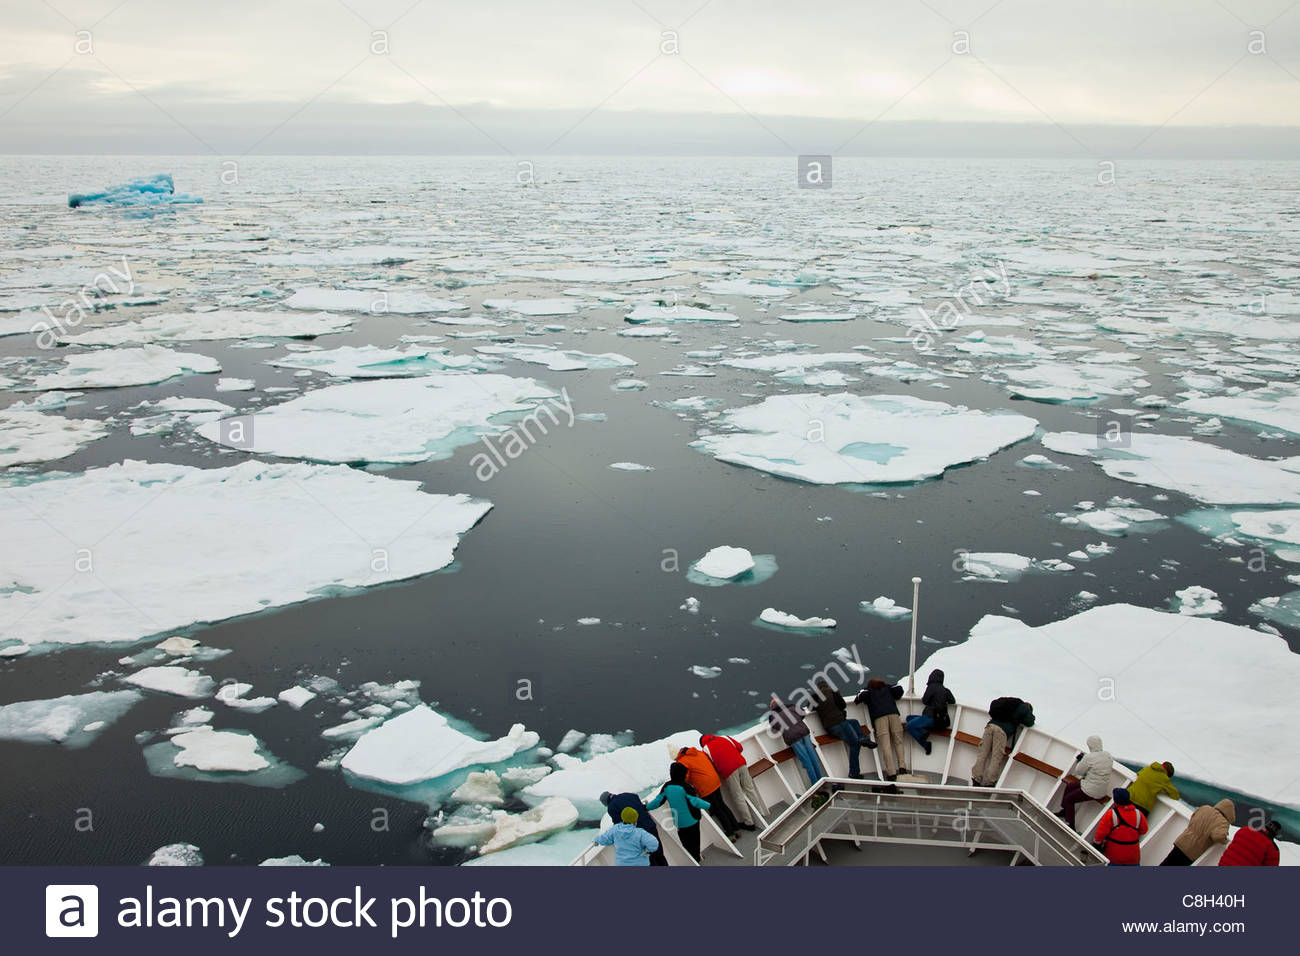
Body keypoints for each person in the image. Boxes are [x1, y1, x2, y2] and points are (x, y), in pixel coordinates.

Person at [646, 762, 712, 861]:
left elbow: (657, 801)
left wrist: (646, 807)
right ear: (681, 774)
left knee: (685, 843)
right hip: (692, 820)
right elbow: (695, 802)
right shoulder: (686, 787)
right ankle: (697, 858)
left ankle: (692, 860)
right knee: (695, 841)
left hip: (679, 822)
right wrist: (709, 805)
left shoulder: (667, 786)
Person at [811, 678, 873, 780]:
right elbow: (843, 705)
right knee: (854, 744)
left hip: (829, 728)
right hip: (840, 722)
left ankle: (862, 737)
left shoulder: (814, 697)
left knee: (854, 722)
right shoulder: (833, 691)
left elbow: (810, 708)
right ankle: (854, 773)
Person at [675, 745, 741, 838]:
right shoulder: (699, 752)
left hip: (705, 787)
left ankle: (730, 833)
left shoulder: (682, 761)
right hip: (715, 781)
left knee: (717, 810)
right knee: (722, 805)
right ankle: (736, 828)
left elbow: (685, 777)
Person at [700, 733, 761, 831]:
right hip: (741, 763)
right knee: (750, 789)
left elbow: (711, 765)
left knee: (738, 796)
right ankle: (760, 816)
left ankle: (749, 823)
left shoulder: (705, 749)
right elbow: (740, 747)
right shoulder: (724, 737)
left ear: (702, 743)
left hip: (729, 771)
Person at [970, 698, 1034, 786]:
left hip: (990, 726)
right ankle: (989, 782)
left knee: (982, 754)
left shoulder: (1011, 703)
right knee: (996, 758)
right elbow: (1030, 722)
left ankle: (976, 779)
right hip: (1001, 732)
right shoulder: (1024, 708)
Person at [767, 695, 825, 787]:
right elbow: (802, 714)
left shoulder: (773, 716)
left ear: (772, 707)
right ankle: (822, 781)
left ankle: (816, 786)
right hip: (804, 732)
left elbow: (775, 726)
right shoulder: (792, 706)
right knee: (813, 757)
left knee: (807, 762)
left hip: (793, 738)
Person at [1057, 735, 1113, 828]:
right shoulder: (1108, 755)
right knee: (1070, 786)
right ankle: (1065, 811)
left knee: (1069, 799)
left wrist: (1081, 760)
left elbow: (1079, 771)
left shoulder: (1089, 757)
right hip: (1101, 789)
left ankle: (1070, 824)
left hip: (1091, 790)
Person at [856, 678, 907, 779]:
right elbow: (899, 689)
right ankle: (902, 768)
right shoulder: (888, 688)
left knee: (886, 746)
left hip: (879, 718)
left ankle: (891, 773)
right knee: (899, 742)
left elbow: (858, 698)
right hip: (894, 715)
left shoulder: (868, 691)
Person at [599, 790, 667, 866]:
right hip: (650, 826)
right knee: (659, 853)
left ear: (606, 802)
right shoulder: (628, 794)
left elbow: (620, 825)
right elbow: (637, 800)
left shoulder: (611, 807)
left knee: (649, 859)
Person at [1161, 799, 1235, 866]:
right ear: (1230, 814)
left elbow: (1193, 818)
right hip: (1192, 851)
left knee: (1167, 863)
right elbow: (1218, 836)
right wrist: (1225, 840)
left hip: (1182, 841)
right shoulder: (1223, 822)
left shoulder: (1205, 808)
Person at [903, 668, 955, 755]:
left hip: (930, 718)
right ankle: (924, 732)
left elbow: (925, 701)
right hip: (942, 721)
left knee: (909, 726)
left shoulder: (931, 687)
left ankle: (926, 743)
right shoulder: (945, 689)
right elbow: (952, 701)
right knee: (909, 718)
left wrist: (932, 700)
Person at [1093, 787, 1148, 866]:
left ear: (1115, 801)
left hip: (1115, 856)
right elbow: (1144, 830)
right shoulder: (1138, 813)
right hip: (1133, 856)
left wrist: (1096, 843)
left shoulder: (1111, 814)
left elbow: (1101, 833)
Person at [592, 806, 660, 866]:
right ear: (635, 820)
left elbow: (605, 838)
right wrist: (647, 851)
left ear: (622, 817)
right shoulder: (640, 833)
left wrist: (596, 840)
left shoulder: (615, 829)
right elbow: (654, 843)